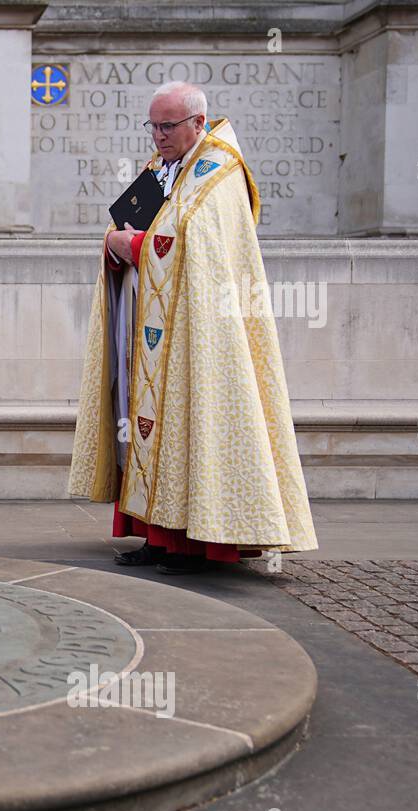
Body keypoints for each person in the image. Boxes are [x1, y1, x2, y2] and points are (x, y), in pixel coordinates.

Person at [67, 81, 317, 573]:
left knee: (191, 420)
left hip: (200, 334)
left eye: (167, 126)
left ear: (198, 123)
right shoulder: (160, 167)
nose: (157, 136)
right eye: (153, 126)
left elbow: (194, 242)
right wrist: (115, 244)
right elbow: (139, 224)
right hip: (153, 322)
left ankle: (197, 542)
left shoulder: (219, 171)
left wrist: (133, 246)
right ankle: (156, 538)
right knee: (149, 424)